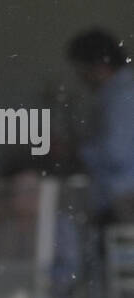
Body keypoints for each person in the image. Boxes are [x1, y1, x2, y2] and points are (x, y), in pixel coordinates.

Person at [67, 29, 134, 222]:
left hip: (123, 196)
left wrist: (77, 151)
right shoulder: (117, 92)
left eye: (81, 70)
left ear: (98, 66)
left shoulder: (121, 96)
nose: (81, 77)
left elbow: (116, 153)